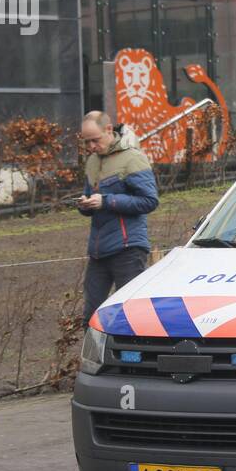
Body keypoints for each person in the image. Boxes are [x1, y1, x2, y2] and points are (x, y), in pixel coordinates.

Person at [77, 111, 159, 324]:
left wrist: (107, 201)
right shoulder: (92, 162)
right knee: (90, 317)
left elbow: (149, 201)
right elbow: (91, 199)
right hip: (98, 252)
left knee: (130, 316)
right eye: (87, 142)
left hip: (129, 249)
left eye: (95, 140)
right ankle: (93, 358)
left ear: (108, 129)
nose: (91, 147)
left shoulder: (133, 158)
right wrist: (85, 205)